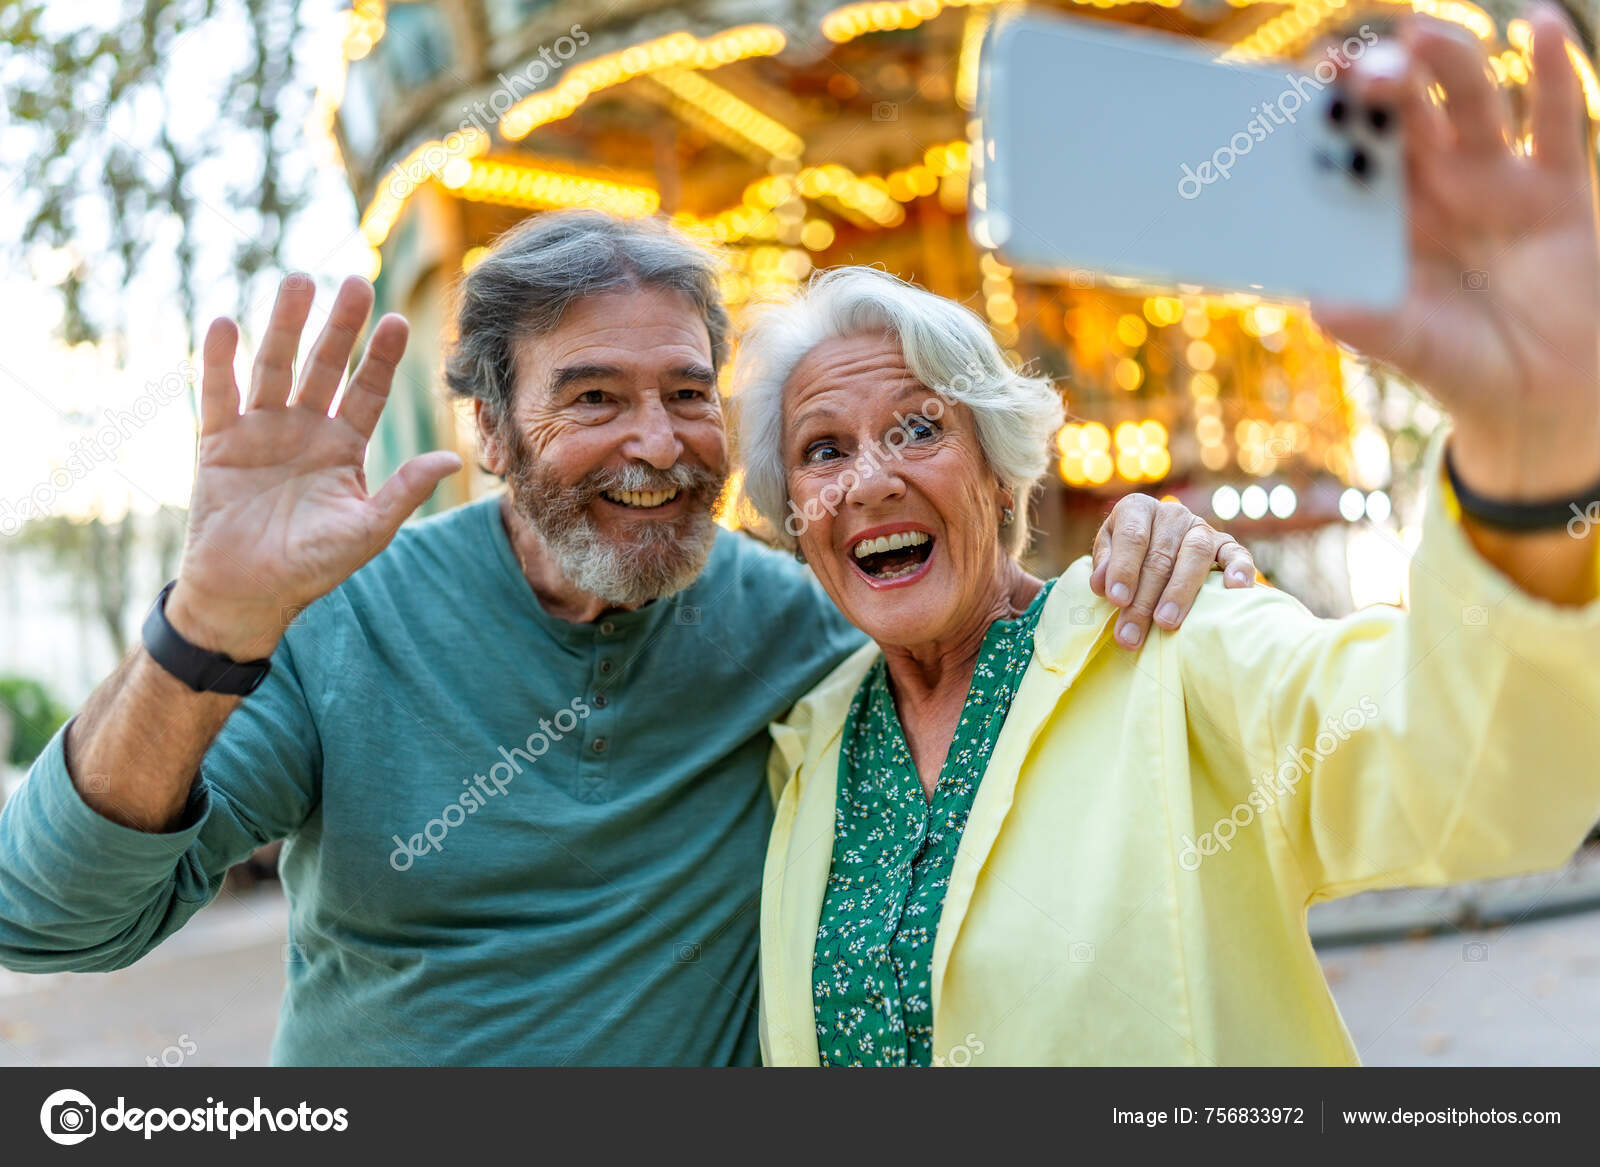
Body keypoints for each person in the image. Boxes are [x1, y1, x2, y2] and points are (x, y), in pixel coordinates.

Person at [0, 210, 1249, 1065]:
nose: (657, 445)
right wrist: (205, 624)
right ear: (491, 431)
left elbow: (1000, 621)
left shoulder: (811, 631)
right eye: (593, 397)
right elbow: (48, 919)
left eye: (687, 395)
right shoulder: (342, 622)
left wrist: (1167, 547)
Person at [745, 9, 1600, 1066]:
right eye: (823, 451)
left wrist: (1538, 463)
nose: (871, 478)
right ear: (792, 512)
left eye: (919, 428)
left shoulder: (1165, 633)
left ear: (1005, 467)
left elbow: (1461, 775)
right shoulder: (804, 746)